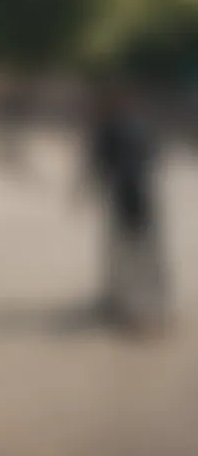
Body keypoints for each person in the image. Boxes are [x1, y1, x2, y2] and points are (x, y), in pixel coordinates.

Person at [76, 82, 168, 331]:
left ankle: (133, 309)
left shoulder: (106, 128)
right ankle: (150, 305)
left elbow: (94, 162)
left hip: (125, 195)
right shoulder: (139, 125)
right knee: (145, 250)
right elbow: (155, 156)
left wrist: (83, 190)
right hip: (142, 194)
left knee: (126, 250)